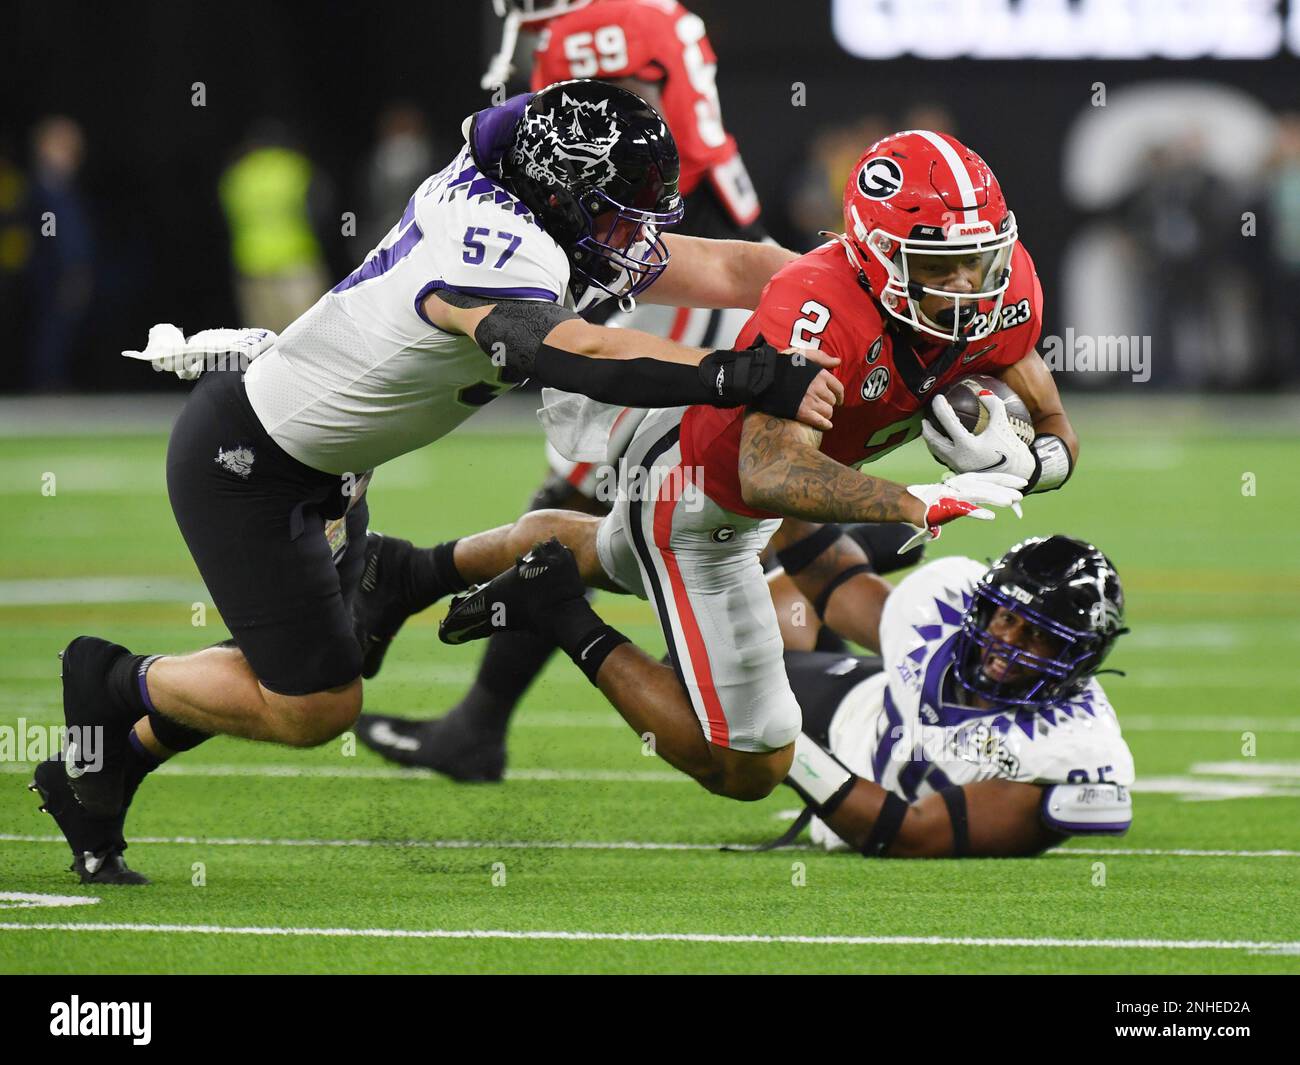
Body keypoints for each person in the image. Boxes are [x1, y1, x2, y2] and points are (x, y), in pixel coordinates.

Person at [31, 80, 842, 885]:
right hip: (251, 467)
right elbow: (576, 354)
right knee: (317, 703)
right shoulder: (492, 240)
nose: (632, 237)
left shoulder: (540, 203)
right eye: (614, 213)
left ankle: (112, 765)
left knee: (301, 656)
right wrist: (741, 374)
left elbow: (731, 267)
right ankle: (112, 678)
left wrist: (858, 285)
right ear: (560, 192)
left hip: (324, 462)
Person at [373, 129, 1080, 806]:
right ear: (877, 255)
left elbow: (1055, 426)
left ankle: (414, 572)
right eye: (935, 265)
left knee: (608, 551)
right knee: (752, 766)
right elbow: (767, 473)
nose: (965, 287)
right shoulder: (822, 311)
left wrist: (1030, 464)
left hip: (734, 473)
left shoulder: (1003, 289)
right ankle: (560, 613)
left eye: (978, 260)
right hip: (704, 500)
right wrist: (910, 501)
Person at [355, 0, 895, 777]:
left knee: (701, 518)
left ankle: (839, 744)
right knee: (706, 516)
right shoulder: (657, 21)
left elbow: (622, 139)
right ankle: (461, 682)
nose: (531, 24)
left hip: (657, 256)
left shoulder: (617, 28)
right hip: (678, 248)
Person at [764, 535, 1133, 858]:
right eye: (1007, 618)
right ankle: (802, 553)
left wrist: (792, 750)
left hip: (871, 789)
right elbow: (836, 592)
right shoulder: (944, 607)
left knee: (754, 713)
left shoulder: (1073, 745)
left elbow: (909, 835)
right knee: (739, 658)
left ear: (1080, 656)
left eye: (1038, 636)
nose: (1008, 644)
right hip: (859, 710)